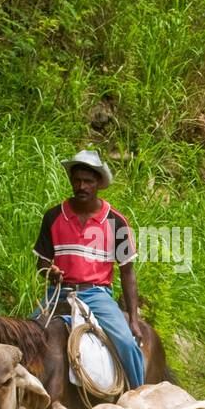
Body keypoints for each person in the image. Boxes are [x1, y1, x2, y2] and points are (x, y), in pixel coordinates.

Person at [32, 149, 146, 388]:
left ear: (98, 184)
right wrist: (50, 270)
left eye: (88, 181)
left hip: (96, 294)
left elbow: (127, 272)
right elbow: (42, 262)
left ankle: (137, 395)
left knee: (125, 341)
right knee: (26, 336)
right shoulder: (53, 216)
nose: (81, 186)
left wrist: (134, 319)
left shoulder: (116, 221)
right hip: (58, 293)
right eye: (77, 180)